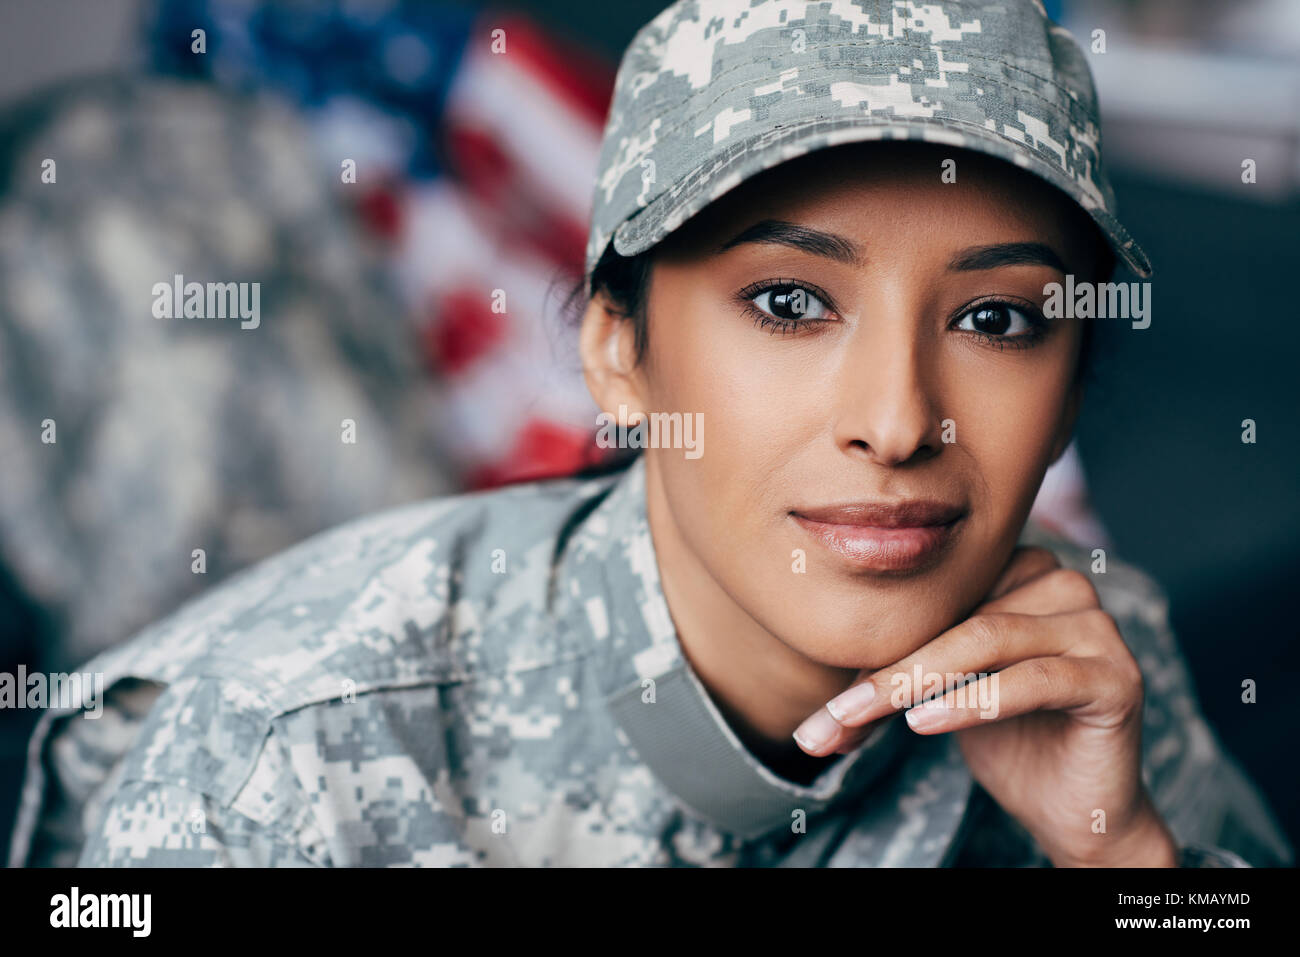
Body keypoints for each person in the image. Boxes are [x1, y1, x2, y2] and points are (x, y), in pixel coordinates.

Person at [8, 0, 1292, 868]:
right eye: (789, 303)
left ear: (1069, 393)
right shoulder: (287, 753)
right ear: (616, 352)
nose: (898, 421)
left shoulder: (1093, 664)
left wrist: (1123, 856)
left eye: (999, 320)